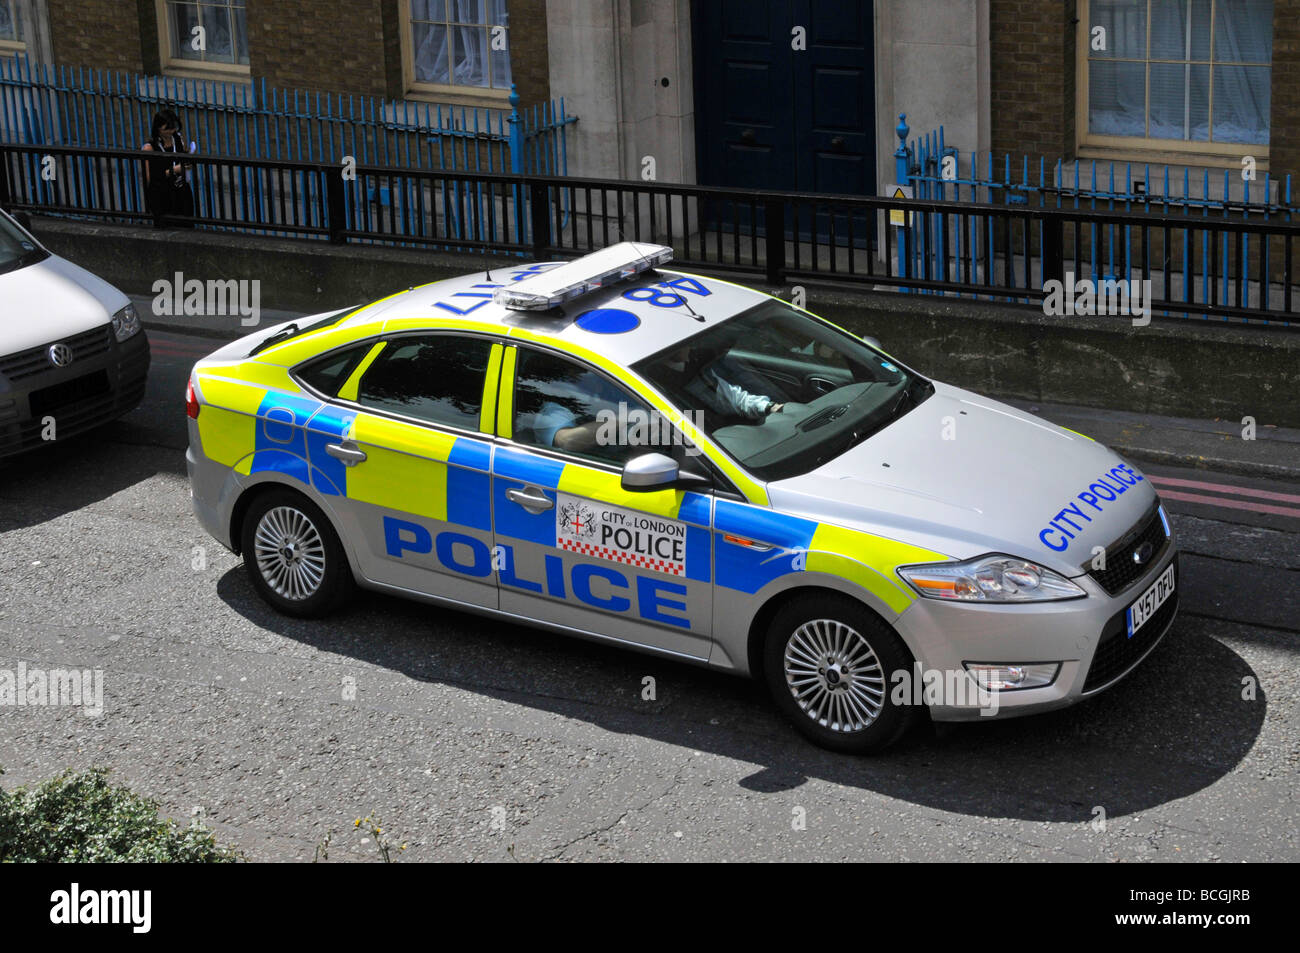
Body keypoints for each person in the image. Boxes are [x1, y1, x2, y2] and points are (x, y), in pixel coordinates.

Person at [662, 344, 784, 421]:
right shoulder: (659, 381)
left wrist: (767, 407)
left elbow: (733, 396)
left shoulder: (701, 360)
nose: (689, 347)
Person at [142, 109, 195, 227]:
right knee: (166, 226)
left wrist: (186, 165)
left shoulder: (178, 139)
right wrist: (173, 170)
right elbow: (151, 177)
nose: (172, 131)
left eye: (174, 127)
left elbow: (182, 157)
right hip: (163, 195)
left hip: (181, 191)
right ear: (159, 128)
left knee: (187, 226)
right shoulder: (150, 148)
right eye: (168, 128)